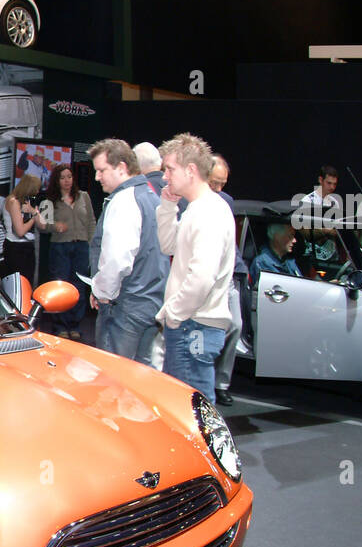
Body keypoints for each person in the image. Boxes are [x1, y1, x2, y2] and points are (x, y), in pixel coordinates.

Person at [155, 133, 236, 403]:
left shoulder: (209, 212)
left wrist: (174, 313)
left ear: (191, 170)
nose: (165, 176)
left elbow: (202, 278)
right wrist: (167, 206)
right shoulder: (198, 208)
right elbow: (169, 246)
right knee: (188, 413)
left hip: (193, 326)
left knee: (194, 418)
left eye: (169, 169)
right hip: (191, 325)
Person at [88, 139, 167, 363]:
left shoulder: (125, 201)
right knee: (141, 380)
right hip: (151, 303)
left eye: (102, 170)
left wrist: (102, 293)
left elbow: (117, 260)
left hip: (126, 307)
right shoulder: (151, 197)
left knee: (115, 380)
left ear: (122, 168)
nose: (97, 177)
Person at [40, 163, 94, 339]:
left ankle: (75, 325)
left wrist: (91, 243)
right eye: (62, 177)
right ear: (56, 180)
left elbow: (92, 221)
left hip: (81, 246)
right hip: (60, 247)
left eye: (69, 177)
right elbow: (43, 227)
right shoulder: (49, 201)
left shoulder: (84, 197)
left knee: (79, 286)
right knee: (61, 285)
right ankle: (60, 325)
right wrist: (55, 226)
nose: (66, 181)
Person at [208, 155, 245, 406]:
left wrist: (239, 267)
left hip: (228, 274)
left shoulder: (226, 202)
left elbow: (231, 241)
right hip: (206, 276)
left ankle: (221, 383)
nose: (220, 189)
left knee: (236, 326)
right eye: (215, 183)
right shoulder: (191, 202)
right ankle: (205, 382)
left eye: (223, 184)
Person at [2, 174, 41, 281]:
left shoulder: (25, 202)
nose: (37, 192)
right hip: (16, 249)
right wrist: (34, 217)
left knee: (28, 283)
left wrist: (33, 211)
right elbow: (20, 231)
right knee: (19, 285)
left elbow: (43, 225)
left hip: (26, 247)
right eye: (36, 189)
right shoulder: (13, 201)